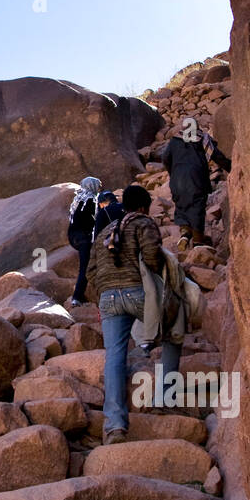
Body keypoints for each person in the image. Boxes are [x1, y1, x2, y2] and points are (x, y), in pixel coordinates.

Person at [86, 183, 163, 444]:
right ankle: (165, 397)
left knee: (114, 357)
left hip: (108, 298)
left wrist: (103, 294)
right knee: (172, 330)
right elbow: (153, 256)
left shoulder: (105, 232)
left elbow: (90, 272)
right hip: (137, 292)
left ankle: (115, 426)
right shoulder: (143, 223)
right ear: (143, 207)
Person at [162, 122, 232, 254]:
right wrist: (232, 168)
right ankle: (198, 240)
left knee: (181, 205)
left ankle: (185, 233)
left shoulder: (174, 140)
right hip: (196, 178)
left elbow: (165, 158)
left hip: (177, 179)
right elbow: (217, 157)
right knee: (197, 206)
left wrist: (173, 172)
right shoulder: (202, 139)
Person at [67, 176, 101, 306]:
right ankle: (77, 297)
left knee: (85, 266)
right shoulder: (92, 201)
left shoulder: (77, 199)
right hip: (84, 239)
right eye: (98, 186)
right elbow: (95, 221)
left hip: (73, 237)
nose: (99, 188)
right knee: (85, 268)